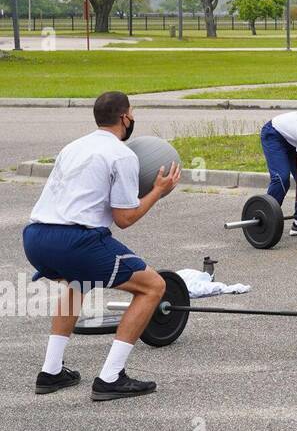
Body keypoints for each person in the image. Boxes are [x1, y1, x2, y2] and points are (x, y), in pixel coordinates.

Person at [22, 92, 181, 401]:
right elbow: (125, 218)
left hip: (35, 238)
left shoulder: (73, 147)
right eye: (131, 113)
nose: (132, 119)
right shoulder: (123, 155)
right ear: (125, 118)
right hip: (75, 241)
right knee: (152, 287)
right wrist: (158, 191)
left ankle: (51, 371)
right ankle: (110, 378)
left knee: (78, 281)